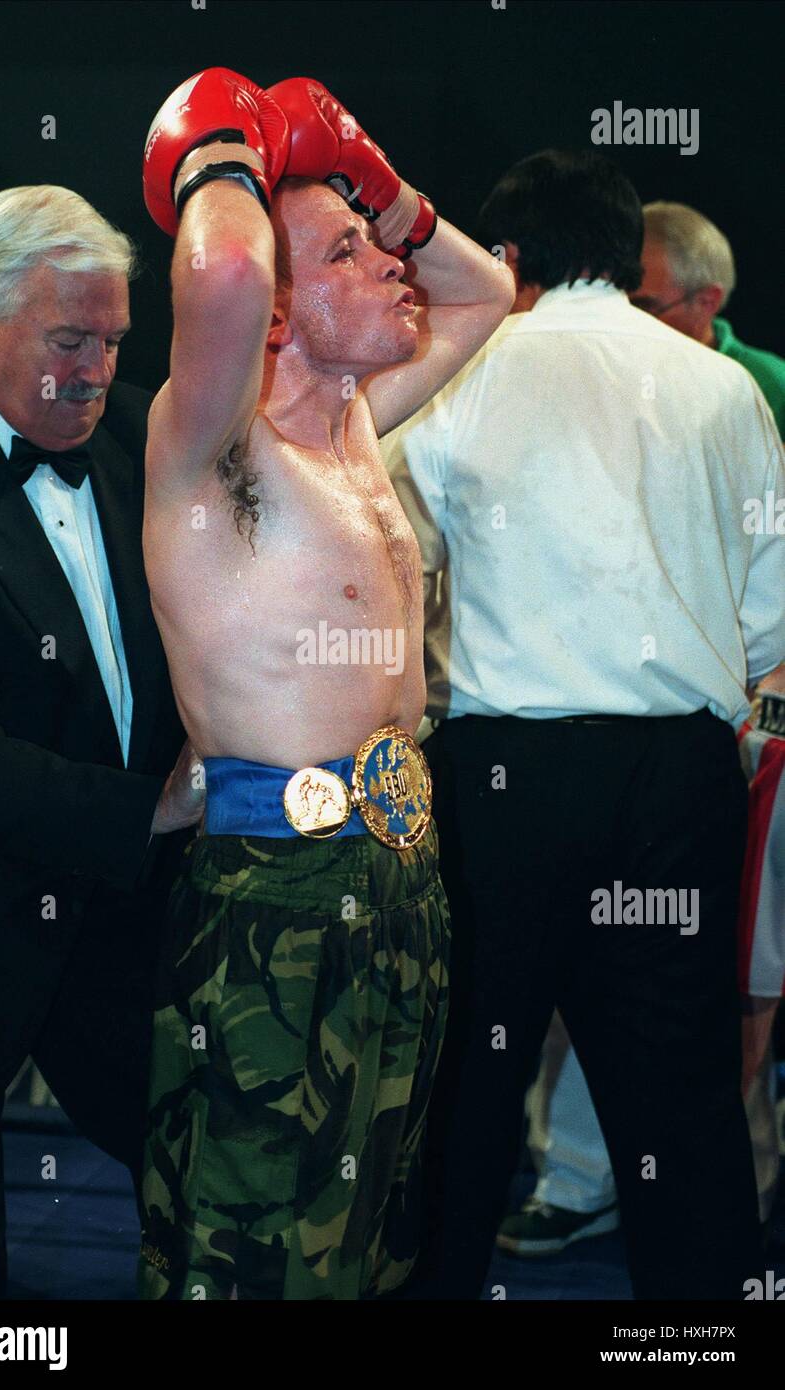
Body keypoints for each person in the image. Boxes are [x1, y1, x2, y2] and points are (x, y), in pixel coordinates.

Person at [135, 66, 514, 1301]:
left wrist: (374, 179)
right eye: (348, 252)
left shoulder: (352, 419)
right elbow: (228, 274)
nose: (390, 263)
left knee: (364, 1236)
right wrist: (221, 156)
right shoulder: (211, 454)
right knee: (246, 1249)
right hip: (276, 893)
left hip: (399, 874)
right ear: (282, 320)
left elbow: (485, 288)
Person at [381, 149, 785, 1299]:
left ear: (505, 258)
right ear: (623, 252)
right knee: (684, 1106)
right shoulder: (721, 387)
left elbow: (392, 565)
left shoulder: (458, 374)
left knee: (461, 1089)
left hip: (505, 780)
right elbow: (766, 615)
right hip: (678, 779)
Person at [0, 185, 203, 1299]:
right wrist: (153, 808)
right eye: (69, 339)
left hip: (131, 922)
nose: (94, 370)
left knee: (201, 1207)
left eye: (115, 341)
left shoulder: (144, 433)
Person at [506, 202, 785, 1260]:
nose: (620, 317)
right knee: (630, 982)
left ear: (704, 304)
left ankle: (725, 1190)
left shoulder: (748, 392)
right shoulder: (582, 381)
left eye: (646, 302)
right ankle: (590, 1178)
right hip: (650, 742)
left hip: (734, 736)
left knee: (734, 985)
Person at [633, 202, 785, 437]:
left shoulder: (768, 384)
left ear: (707, 301)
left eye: (643, 308)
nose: (626, 320)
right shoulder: (609, 368)